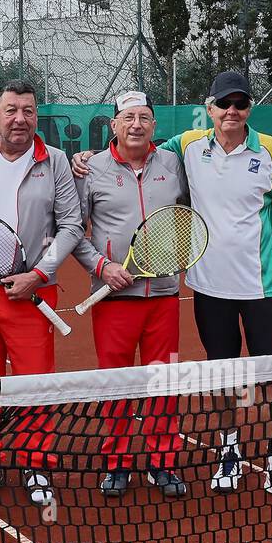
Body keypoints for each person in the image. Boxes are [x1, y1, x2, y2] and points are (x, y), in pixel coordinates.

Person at [74, 71, 272, 504]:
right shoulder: (186, 147)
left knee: (268, 377)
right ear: (210, 108)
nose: (232, 111)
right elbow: (135, 153)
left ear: (249, 109)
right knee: (222, 374)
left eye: (240, 103)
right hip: (208, 287)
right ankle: (229, 452)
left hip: (261, 286)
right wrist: (89, 156)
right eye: (224, 103)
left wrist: (261, 234)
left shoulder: (269, 151)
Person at [0, 79, 83, 505]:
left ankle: (35, 462)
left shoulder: (55, 162)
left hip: (32, 294)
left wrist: (39, 274)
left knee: (34, 383)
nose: (19, 118)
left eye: (28, 110)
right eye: (11, 110)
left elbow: (72, 225)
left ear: (36, 116)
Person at [72, 90, 189, 498]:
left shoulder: (173, 163)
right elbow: (73, 231)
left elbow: (189, 213)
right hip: (113, 297)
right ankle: (117, 462)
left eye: (143, 118)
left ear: (154, 125)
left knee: (163, 381)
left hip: (164, 295)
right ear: (114, 125)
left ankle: (163, 462)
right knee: (116, 384)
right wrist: (102, 267)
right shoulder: (90, 170)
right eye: (128, 118)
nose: (136, 125)